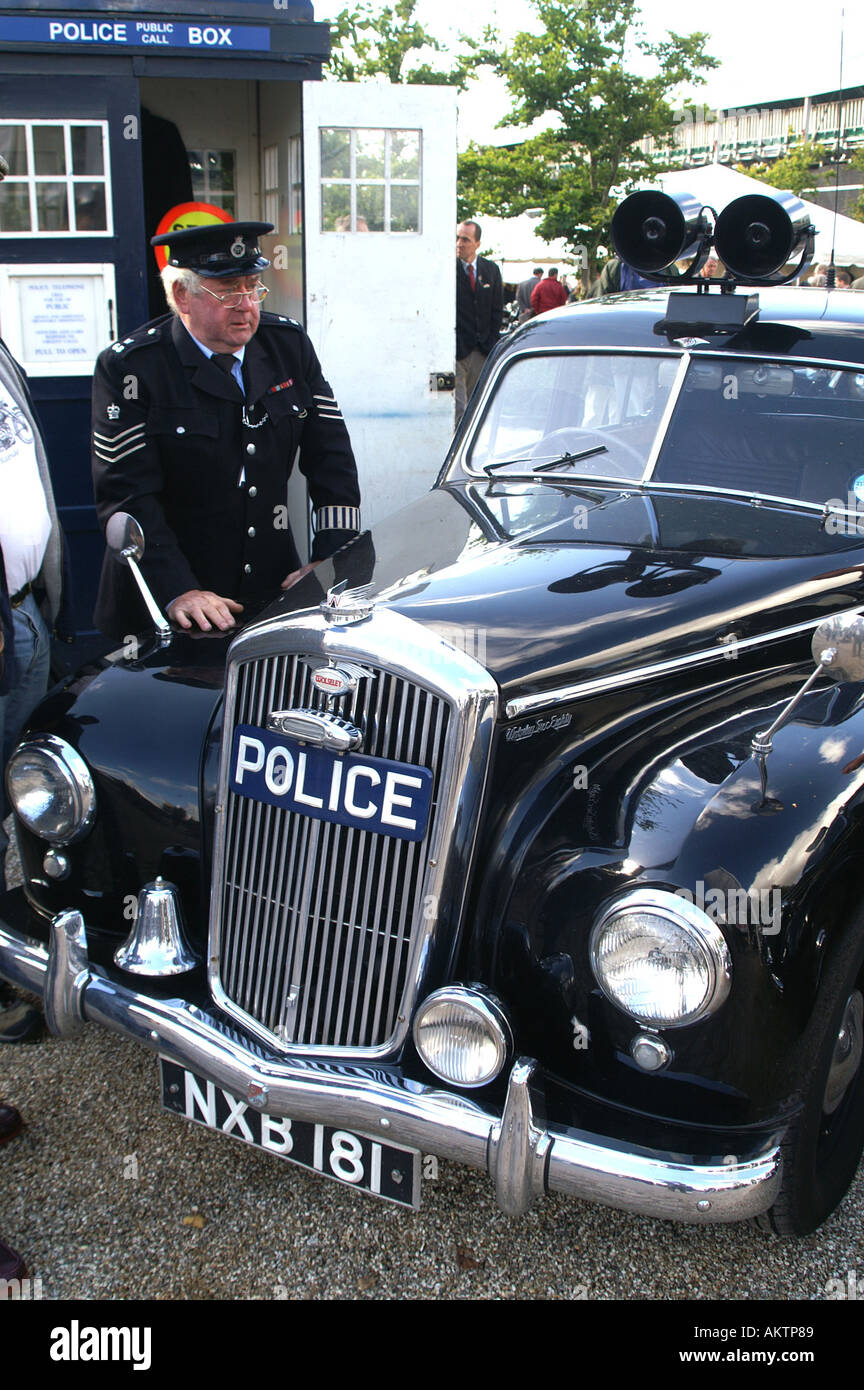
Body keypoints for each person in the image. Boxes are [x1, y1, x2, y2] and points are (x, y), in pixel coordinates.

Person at [91, 220, 361, 638]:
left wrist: (332, 556)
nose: (246, 304)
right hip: (171, 602)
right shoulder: (132, 367)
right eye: (229, 290)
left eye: (253, 286)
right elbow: (128, 495)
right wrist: (179, 589)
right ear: (183, 295)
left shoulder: (287, 345)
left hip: (272, 589)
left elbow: (332, 459)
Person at [455, 220, 503, 425]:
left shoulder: (490, 270)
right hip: (457, 350)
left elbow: (496, 309)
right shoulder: (448, 269)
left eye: (465, 239)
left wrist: (490, 343)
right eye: (457, 238)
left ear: (477, 244)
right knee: (458, 408)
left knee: (477, 405)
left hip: (481, 349)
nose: (459, 243)